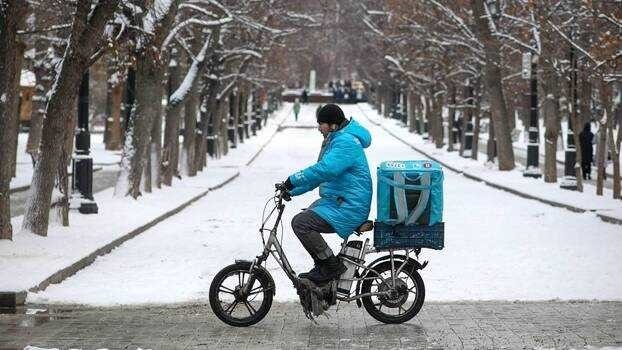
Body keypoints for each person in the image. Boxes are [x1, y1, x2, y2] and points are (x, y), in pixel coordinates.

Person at [282, 104, 373, 283]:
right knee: (304, 218)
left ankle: (330, 266)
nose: (318, 128)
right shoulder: (339, 139)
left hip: (349, 206)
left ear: (333, 124)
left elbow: (325, 170)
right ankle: (324, 266)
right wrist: (291, 189)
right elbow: (320, 177)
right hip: (341, 202)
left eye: (321, 124)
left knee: (301, 223)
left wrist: (293, 179)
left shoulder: (345, 142)